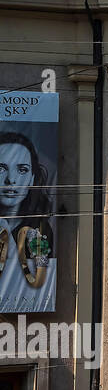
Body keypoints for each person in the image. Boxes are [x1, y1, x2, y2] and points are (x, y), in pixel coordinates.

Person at [0, 131, 57, 313]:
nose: (11, 180)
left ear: (33, 177)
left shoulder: (40, 230)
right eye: (1, 168)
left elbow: (40, 279)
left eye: (22, 169)